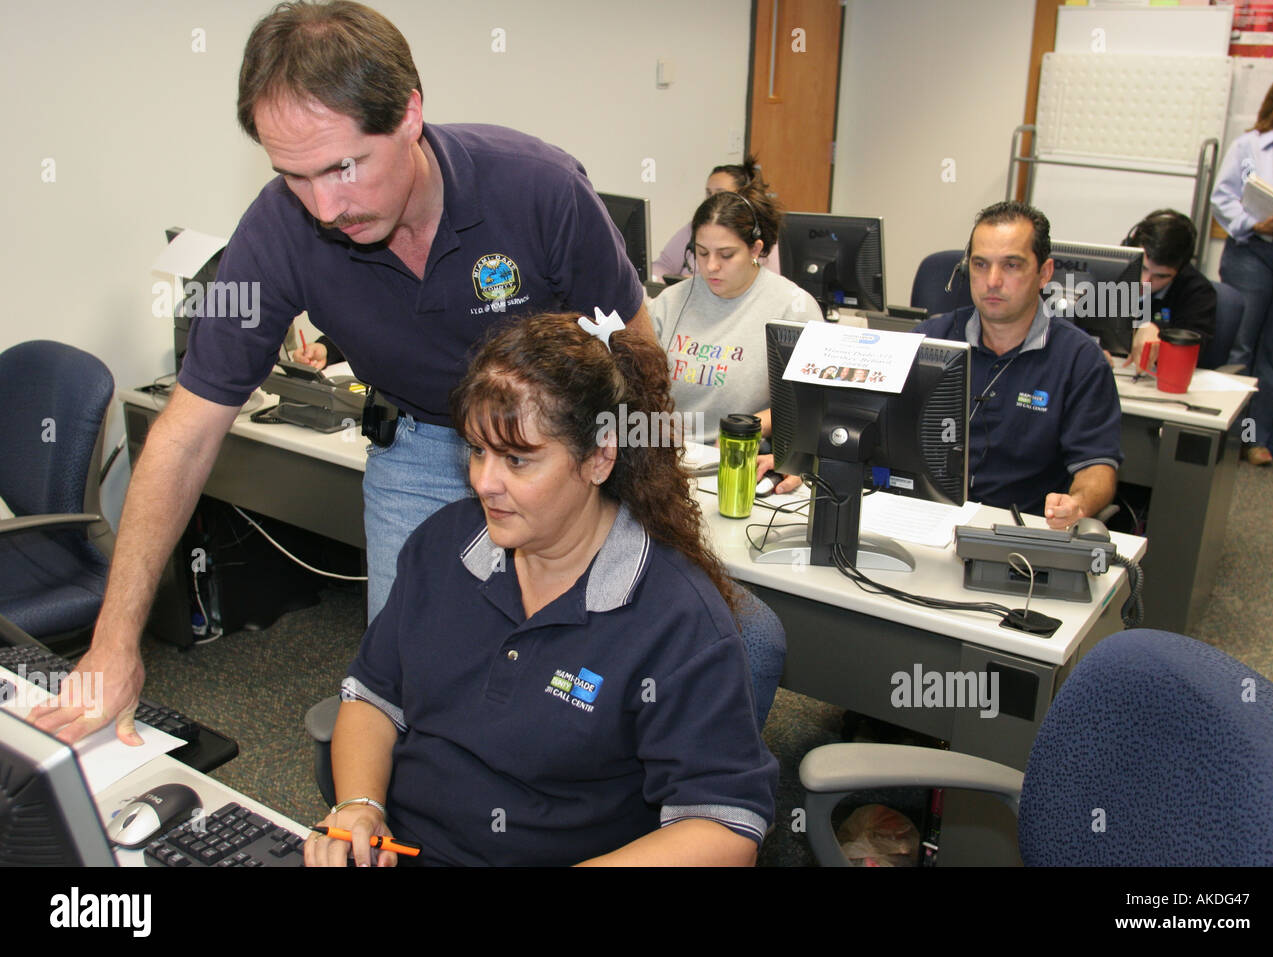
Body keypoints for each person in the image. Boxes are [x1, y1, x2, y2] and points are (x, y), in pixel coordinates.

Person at [30, 0, 654, 746]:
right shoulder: (280, 229)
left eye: (343, 166)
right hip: (421, 442)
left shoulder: (537, 188)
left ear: (410, 114)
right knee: (410, 689)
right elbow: (186, 434)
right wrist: (114, 644)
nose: (325, 206)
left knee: (583, 674)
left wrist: (642, 505)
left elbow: (637, 361)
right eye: (295, 175)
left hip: (556, 447)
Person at [304, 312, 778, 866]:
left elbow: (725, 827)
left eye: (517, 459)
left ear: (600, 456)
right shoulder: (444, 545)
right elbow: (374, 696)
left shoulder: (675, 617)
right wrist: (360, 806)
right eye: (478, 450)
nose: (484, 481)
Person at [915, 202, 1122, 527]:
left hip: (1017, 533)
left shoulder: (1079, 360)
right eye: (980, 265)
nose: (992, 281)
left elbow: (1096, 466)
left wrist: (1077, 503)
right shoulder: (930, 340)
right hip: (922, 516)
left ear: (1044, 273)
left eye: (1011, 265)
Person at [649, 182, 822, 492]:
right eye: (702, 253)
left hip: (739, 462)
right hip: (667, 461)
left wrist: (752, 429)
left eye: (726, 255)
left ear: (756, 250)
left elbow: (812, 403)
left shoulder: (792, 308)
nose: (711, 266)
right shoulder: (671, 302)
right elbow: (634, 383)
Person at [1211, 64, 1273, 467]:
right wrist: (1253, 222)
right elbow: (1223, 197)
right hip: (1252, 250)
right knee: (1241, 346)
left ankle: (1255, 439)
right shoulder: (1251, 145)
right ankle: (1228, 436)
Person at [651, 156, 782, 281]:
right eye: (703, 253)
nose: (712, 199)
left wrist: (702, 284)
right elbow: (662, 265)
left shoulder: (758, 234)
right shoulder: (698, 227)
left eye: (726, 254)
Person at [1119, 209, 1217, 367]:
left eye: (1160, 276)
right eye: (1142, 268)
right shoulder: (1113, 267)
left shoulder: (1198, 292)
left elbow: (1195, 349)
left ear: (1179, 271)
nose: (1146, 282)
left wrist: (1160, 333)